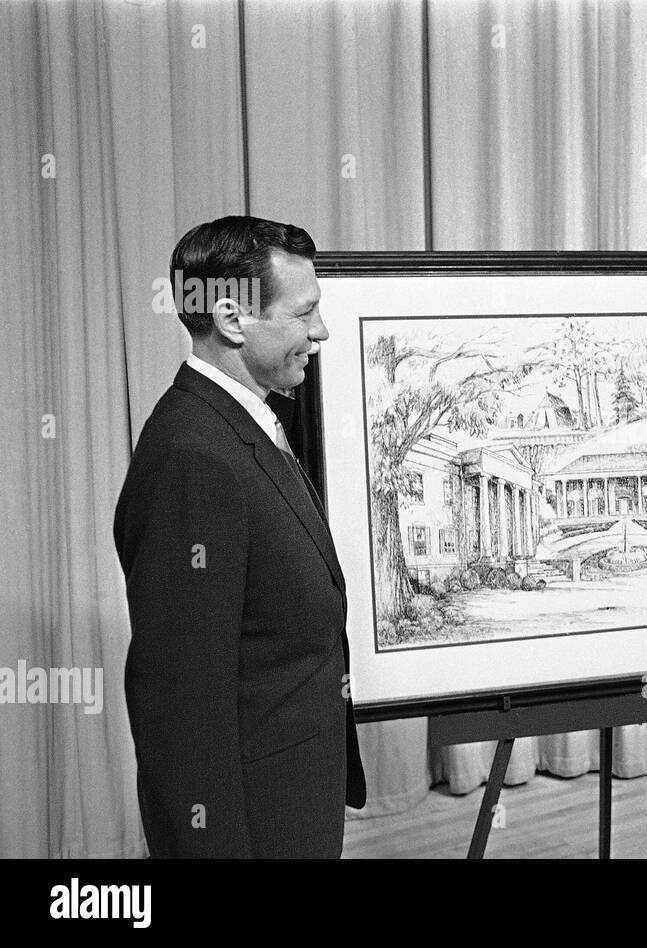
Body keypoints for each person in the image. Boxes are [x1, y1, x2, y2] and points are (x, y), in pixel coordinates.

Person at [114, 216, 366, 857]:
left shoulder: (243, 423)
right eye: (303, 313)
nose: (321, 331)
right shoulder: (194, 457)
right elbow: (180, 703)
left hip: (295, 802)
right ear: (231, 320)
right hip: (254, 824)